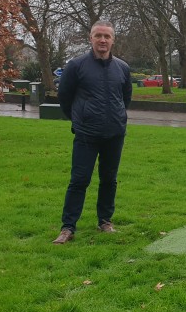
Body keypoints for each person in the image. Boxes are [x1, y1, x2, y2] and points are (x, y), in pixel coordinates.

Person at [52, 20, 133, 244]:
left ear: (113, 40)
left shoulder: (122, 68)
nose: (103, 40)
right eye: (98, 36)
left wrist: (116, 118)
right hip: (86, 134)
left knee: (109, 179)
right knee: (79, 180)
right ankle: (68, 227)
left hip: (115, 134)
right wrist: (80, 119)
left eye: (107, 36)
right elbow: (64, 98)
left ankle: (105, 221)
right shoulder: (76, 66)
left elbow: (125, 98)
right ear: (91, 38)